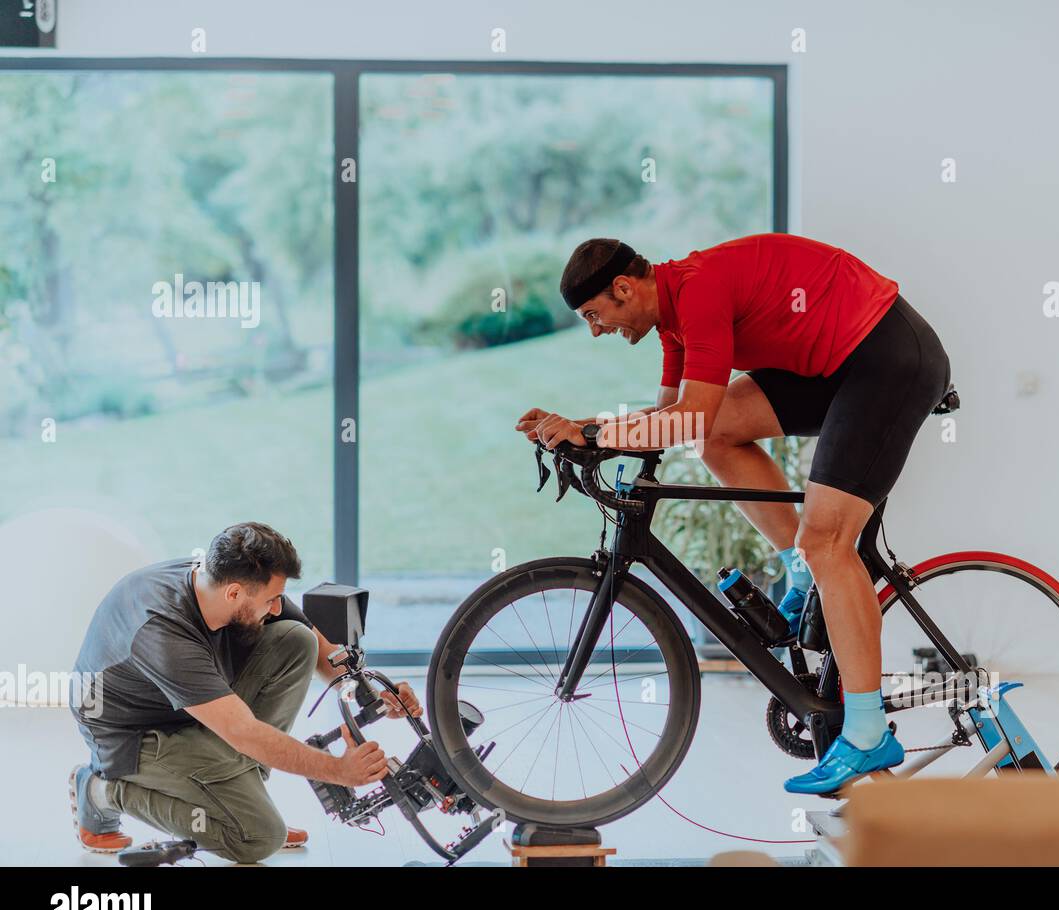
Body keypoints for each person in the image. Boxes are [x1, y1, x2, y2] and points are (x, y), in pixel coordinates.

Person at [516, 233, 952, 795]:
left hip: (889, 358)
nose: (597, 331)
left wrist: (596, 433)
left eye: (595, 316)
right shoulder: (673, 321)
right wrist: (586, 426)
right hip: (837, 366)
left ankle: (868, 732)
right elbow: (677, 419)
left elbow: (685, 417)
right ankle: (800, 567)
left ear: (624, 288)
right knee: (717, 436)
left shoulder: (699, 294)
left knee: (829, 542)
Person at [68, 521, 421, 862]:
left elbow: (316, 641)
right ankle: (102, 791)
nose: (279, 607)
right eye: (271, 599)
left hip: (184, 705)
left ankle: (242, 795)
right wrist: (338, 771)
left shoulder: (228, 582)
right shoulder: (163, 634)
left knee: (297, 641)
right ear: (234, 592)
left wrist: (374, 697)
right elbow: (242, 733)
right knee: (258, 837)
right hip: (130, 735)